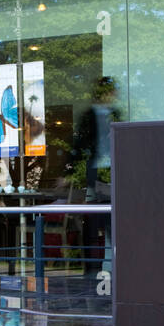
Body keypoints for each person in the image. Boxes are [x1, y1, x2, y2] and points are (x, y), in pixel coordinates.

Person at [72, 76, 120, 278]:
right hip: (95, 176)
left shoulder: (116, 114)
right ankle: (92, 271)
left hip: (114, 175)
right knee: (93, 223)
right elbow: (78, 144)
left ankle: (111, 271)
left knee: (113, 224)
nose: (112, 95)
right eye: (109, 91)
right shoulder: (89, 115)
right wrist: (68, 172)